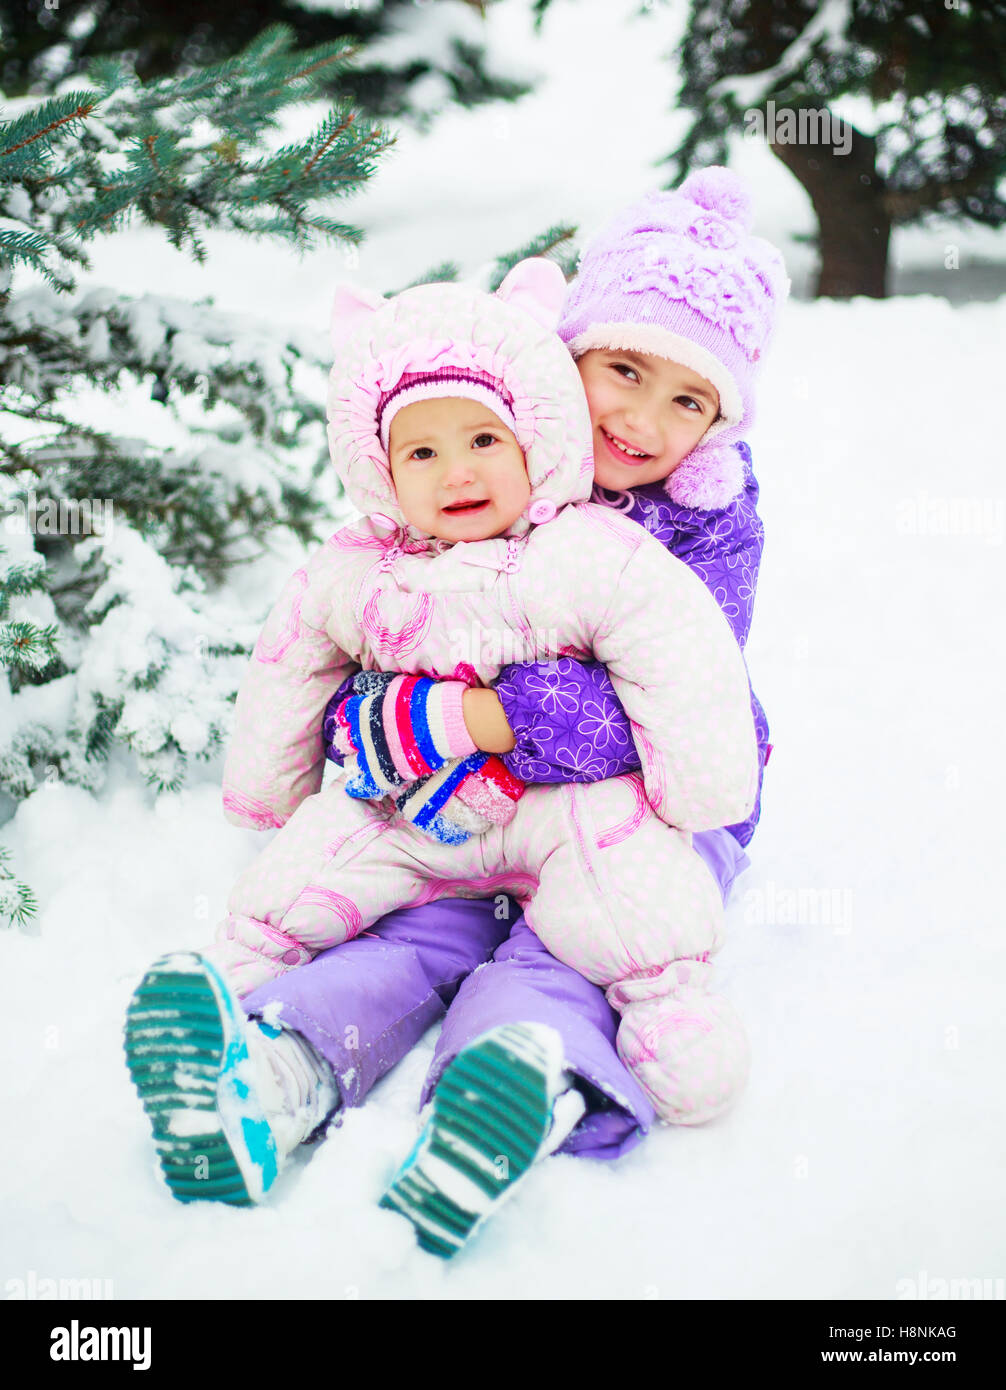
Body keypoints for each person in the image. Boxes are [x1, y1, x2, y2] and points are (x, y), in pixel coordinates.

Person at [124, 167, 787, 1257]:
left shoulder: (708, 517)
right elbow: (360, 647)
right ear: (560, 357)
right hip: (467, 809)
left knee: (567, 951)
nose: (642, 418)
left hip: (653, 808)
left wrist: (472, 720)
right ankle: (271, 1075)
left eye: (689, 400)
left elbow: (680, 699)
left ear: (720, 418)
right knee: (418, 930)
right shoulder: (480, 441)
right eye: (622, 369)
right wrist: (378, 724)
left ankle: (505, 1093)